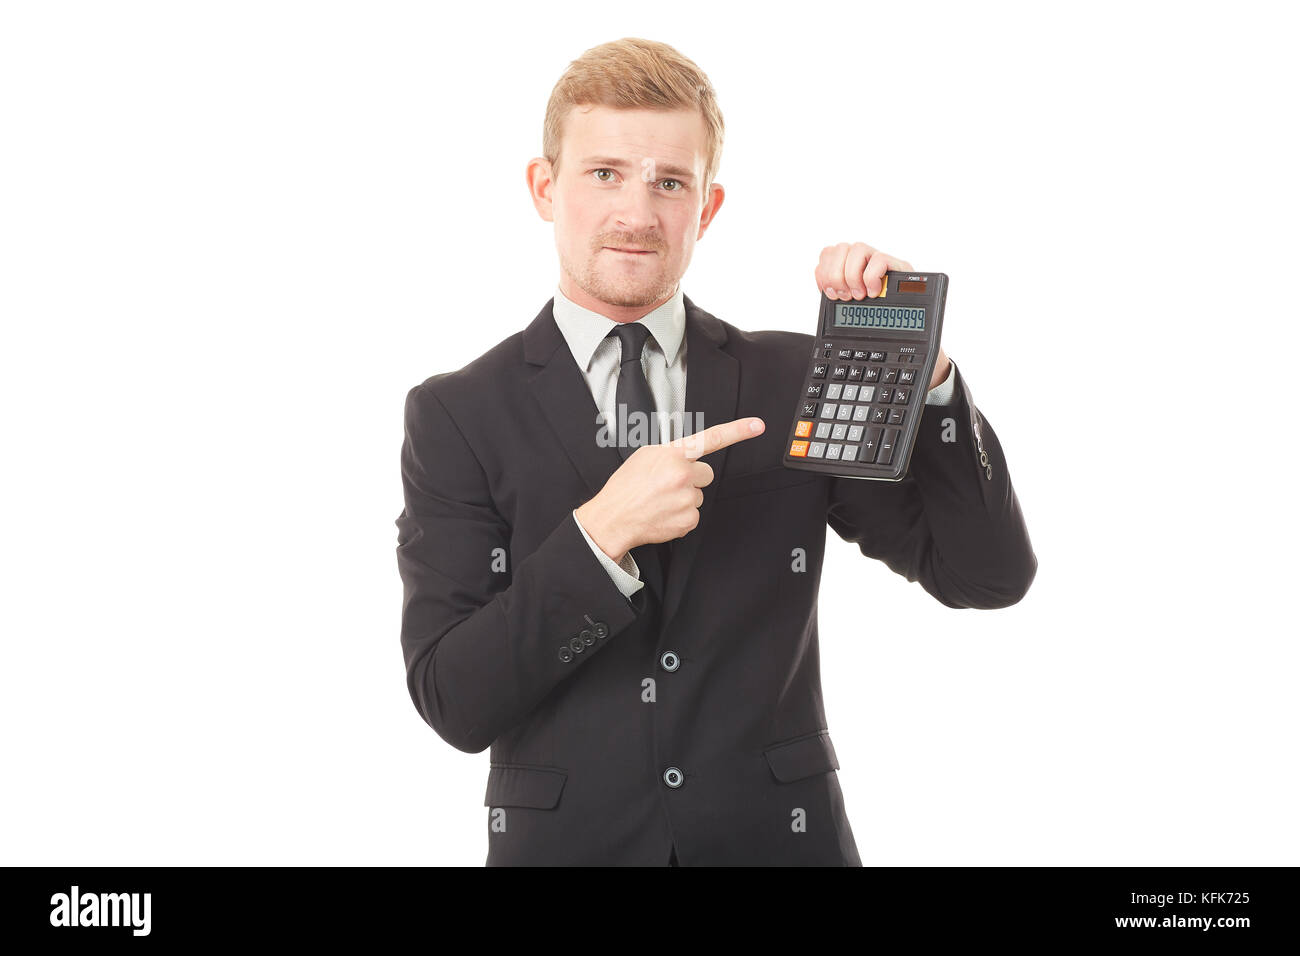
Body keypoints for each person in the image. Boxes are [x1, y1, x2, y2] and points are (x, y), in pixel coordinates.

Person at [395, 37, 1037, 866]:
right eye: (604, 173)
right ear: (544, 187)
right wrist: (599, 538)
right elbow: (453, 699)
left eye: (670, 182)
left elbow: (984, 576)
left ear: (708, 206)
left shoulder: (798, 376)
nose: (637, 211)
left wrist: (926, 368)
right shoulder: (455, 412)